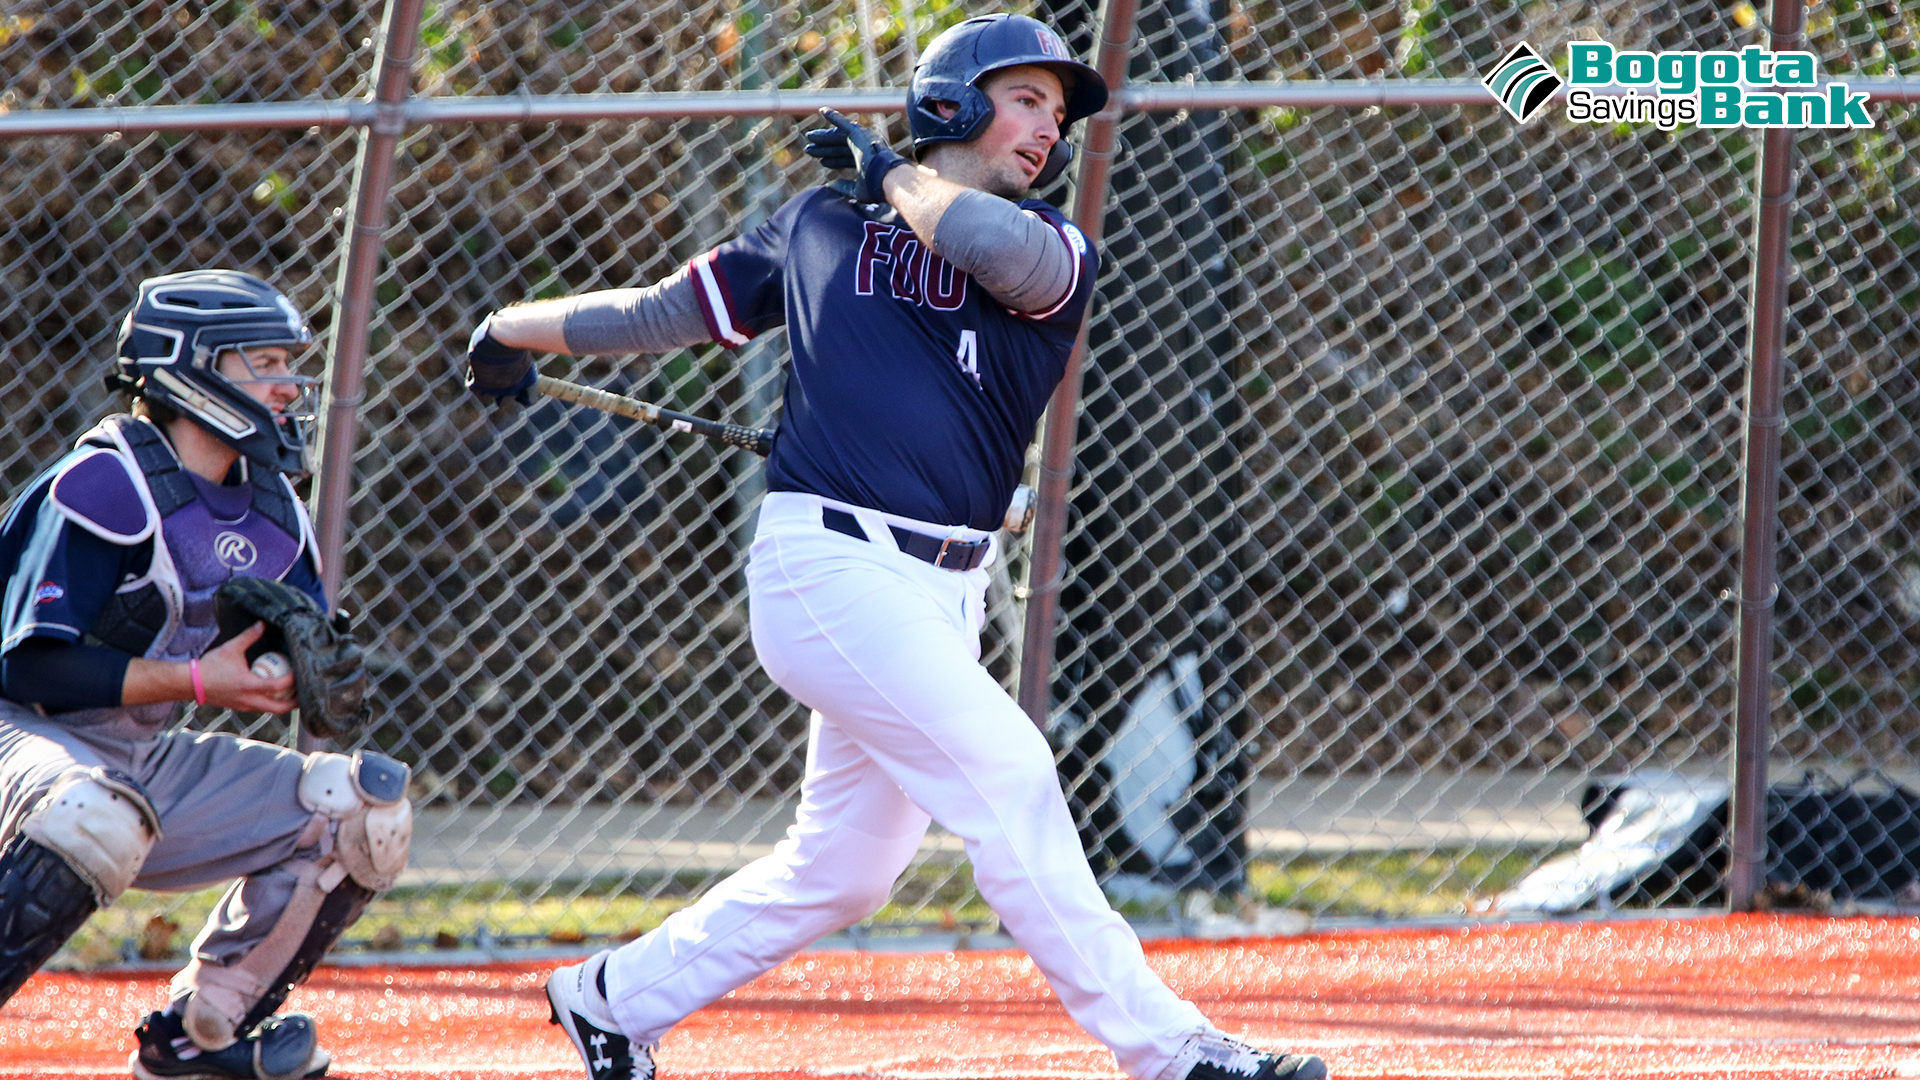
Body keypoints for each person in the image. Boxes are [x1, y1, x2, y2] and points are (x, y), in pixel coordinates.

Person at [465, 14, 1326, 1080]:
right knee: (1011, 769)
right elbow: (660, 313)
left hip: (942, 595)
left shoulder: (1055, 249)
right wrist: (511, 329)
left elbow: (988, 249)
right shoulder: (820, 224)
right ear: (949, 103)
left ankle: (609, 999)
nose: (1047, 131)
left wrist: (884, 170)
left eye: (1057, 116)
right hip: (830, 567)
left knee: (844, 871)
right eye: (1025, 100)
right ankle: (1173, 1053)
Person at [0, 269, 411, 1080]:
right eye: (265, 363)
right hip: (20, 735)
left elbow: (298, 652)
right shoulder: (105, 485)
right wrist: (196, 681)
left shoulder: (271, 506)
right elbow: (26, 664)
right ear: (190, 370)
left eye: (289, 363)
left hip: (132, 756)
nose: (288, 385)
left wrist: (295, 672)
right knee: (94, 815)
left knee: (361, 813)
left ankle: (203, 1035)